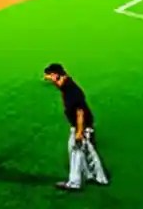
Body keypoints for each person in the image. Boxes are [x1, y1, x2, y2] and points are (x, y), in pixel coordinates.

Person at [44, 63, 110, 191]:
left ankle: (75, 182)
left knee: (76, 150)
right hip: (82, 125)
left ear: (56, 75)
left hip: (82, 126)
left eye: (50, 76)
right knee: (88, 151)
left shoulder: (71, 90)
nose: (49, 79)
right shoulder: (66, 86)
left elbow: (80, 112)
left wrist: (79, 132)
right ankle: (98, 178)